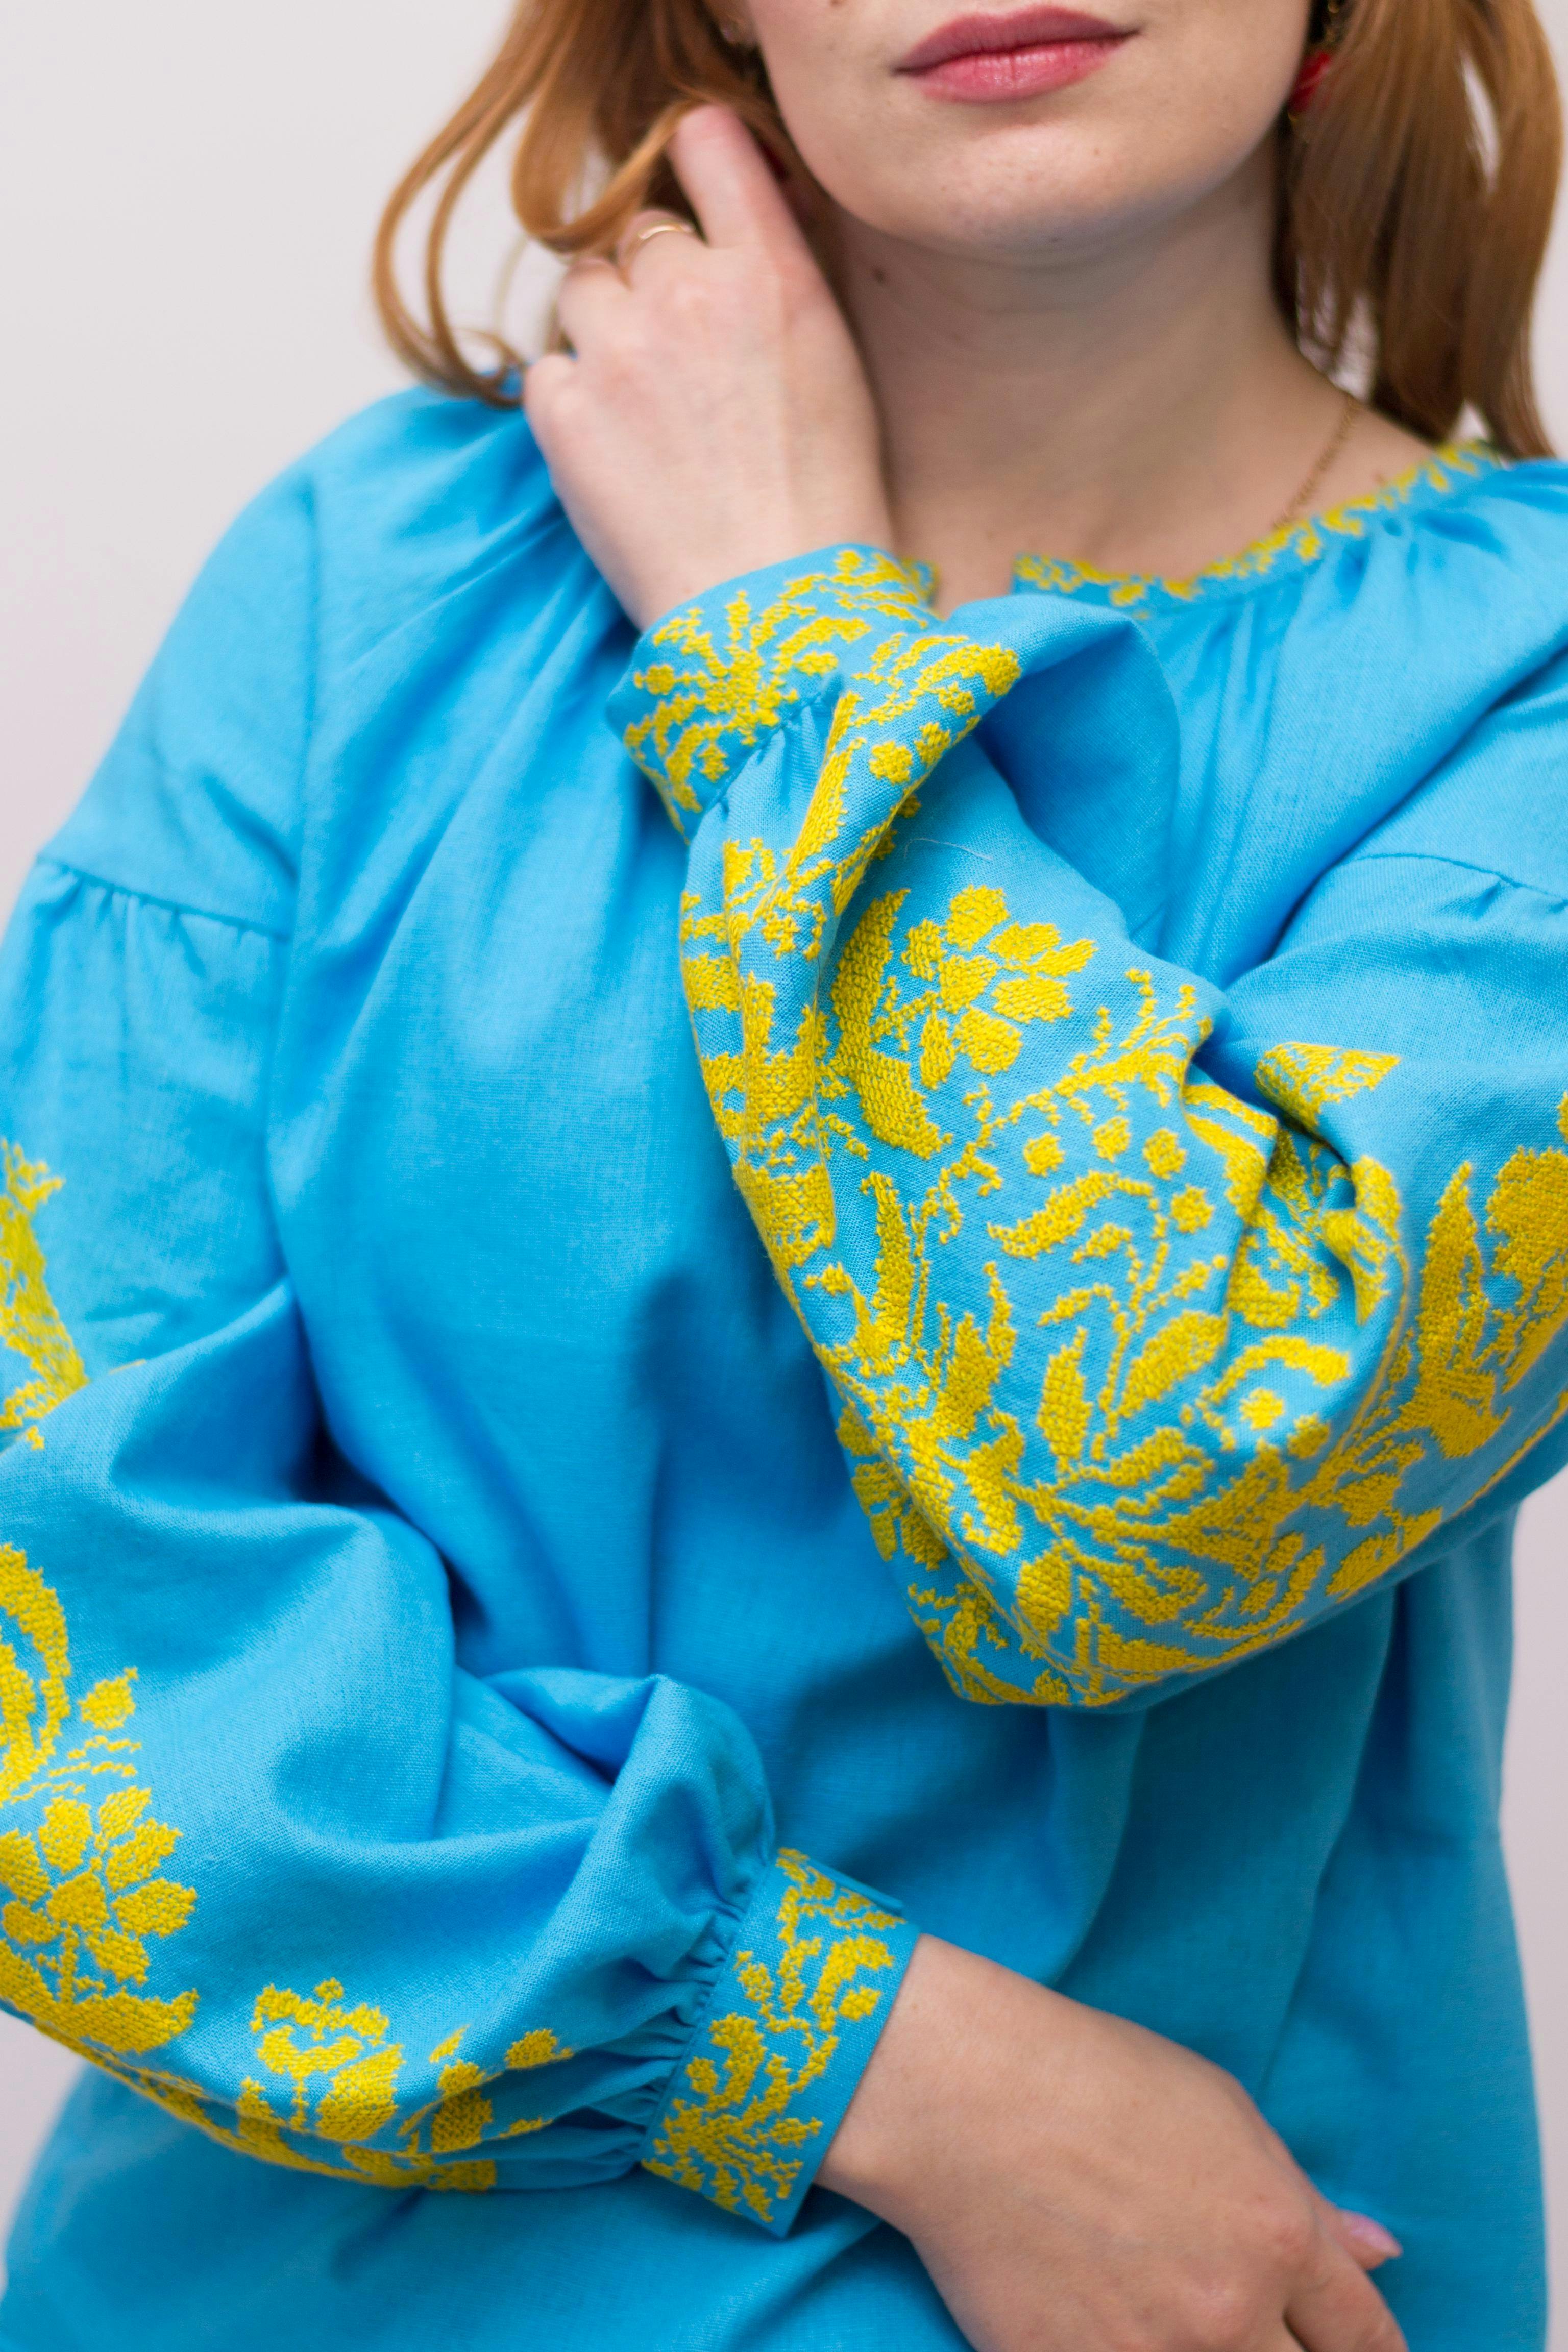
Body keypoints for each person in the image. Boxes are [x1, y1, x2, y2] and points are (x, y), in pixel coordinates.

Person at [1, 0, 1565, 2343]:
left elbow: (1148, 1483)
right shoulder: (376, 575)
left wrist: (787, 656)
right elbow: (49, 1598)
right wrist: (865, 2060)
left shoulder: (1520, 685)